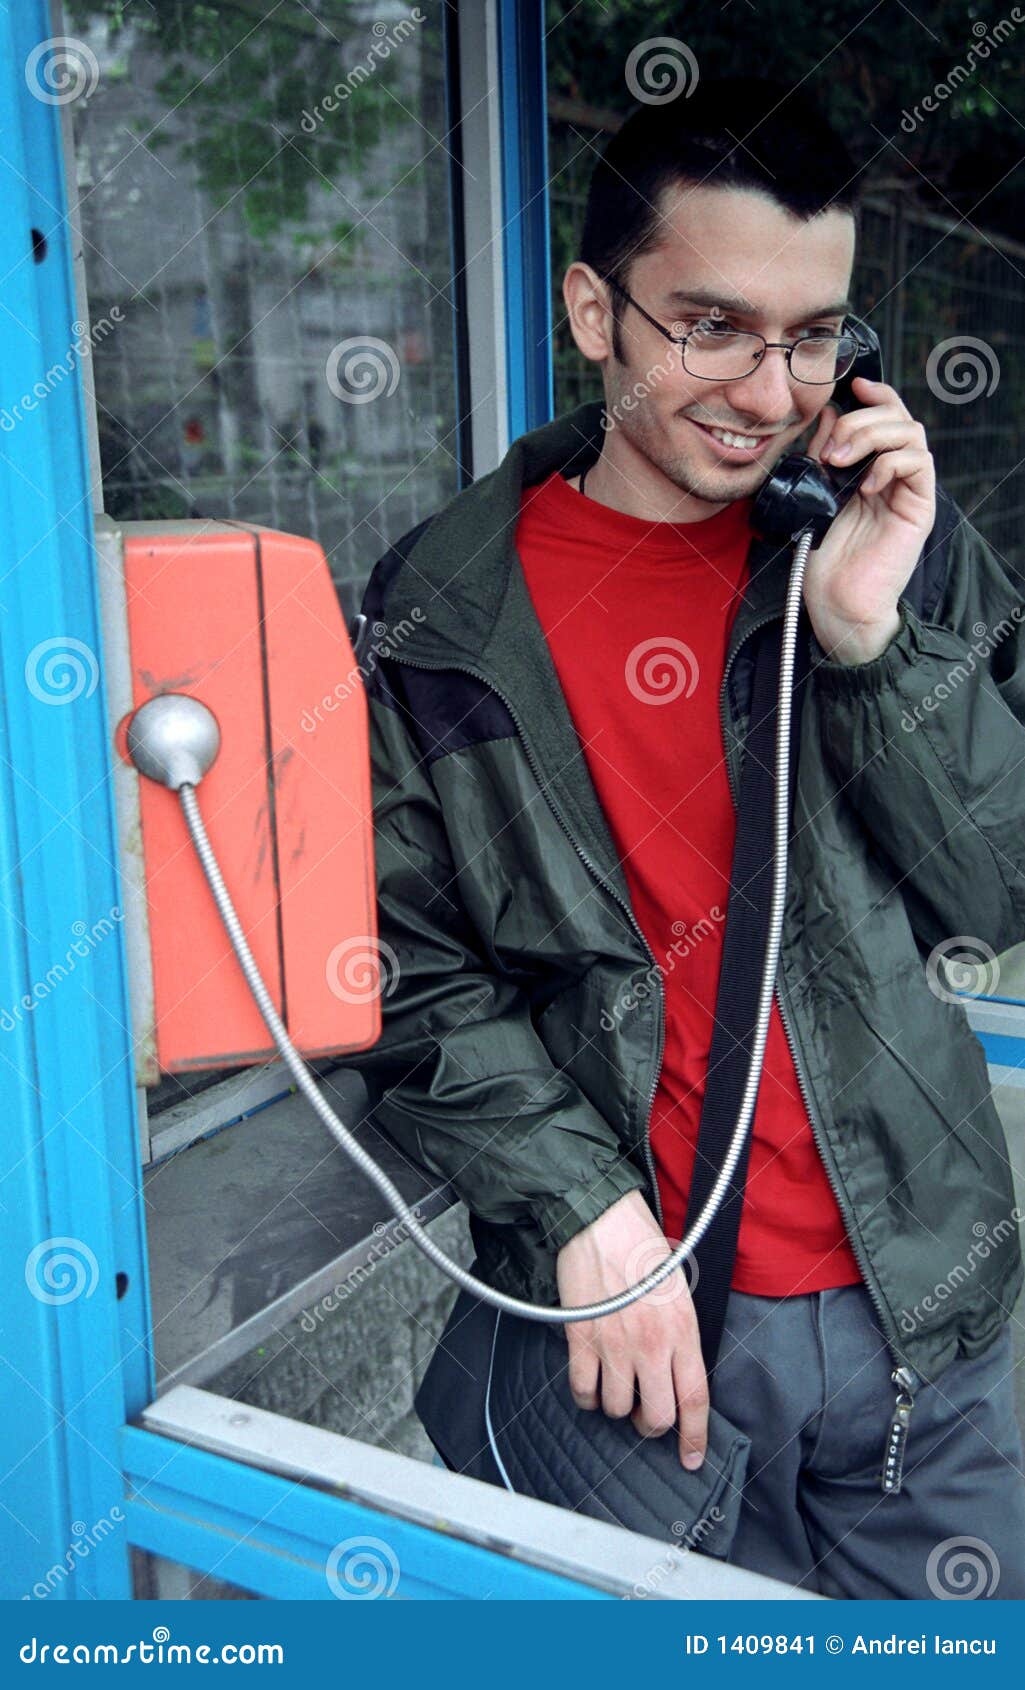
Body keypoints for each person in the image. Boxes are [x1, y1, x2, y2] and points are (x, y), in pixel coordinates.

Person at [344, 76, 1025, 1598]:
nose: (771, 391)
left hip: (920, 1297)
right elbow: (401, 962)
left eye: (811, 336)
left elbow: (1000, 884)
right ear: (595, 312)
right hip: (646, 1320)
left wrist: (865, 638)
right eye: (709, 324)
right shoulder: (445, 609)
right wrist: (576, 1202)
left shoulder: (889, 547)